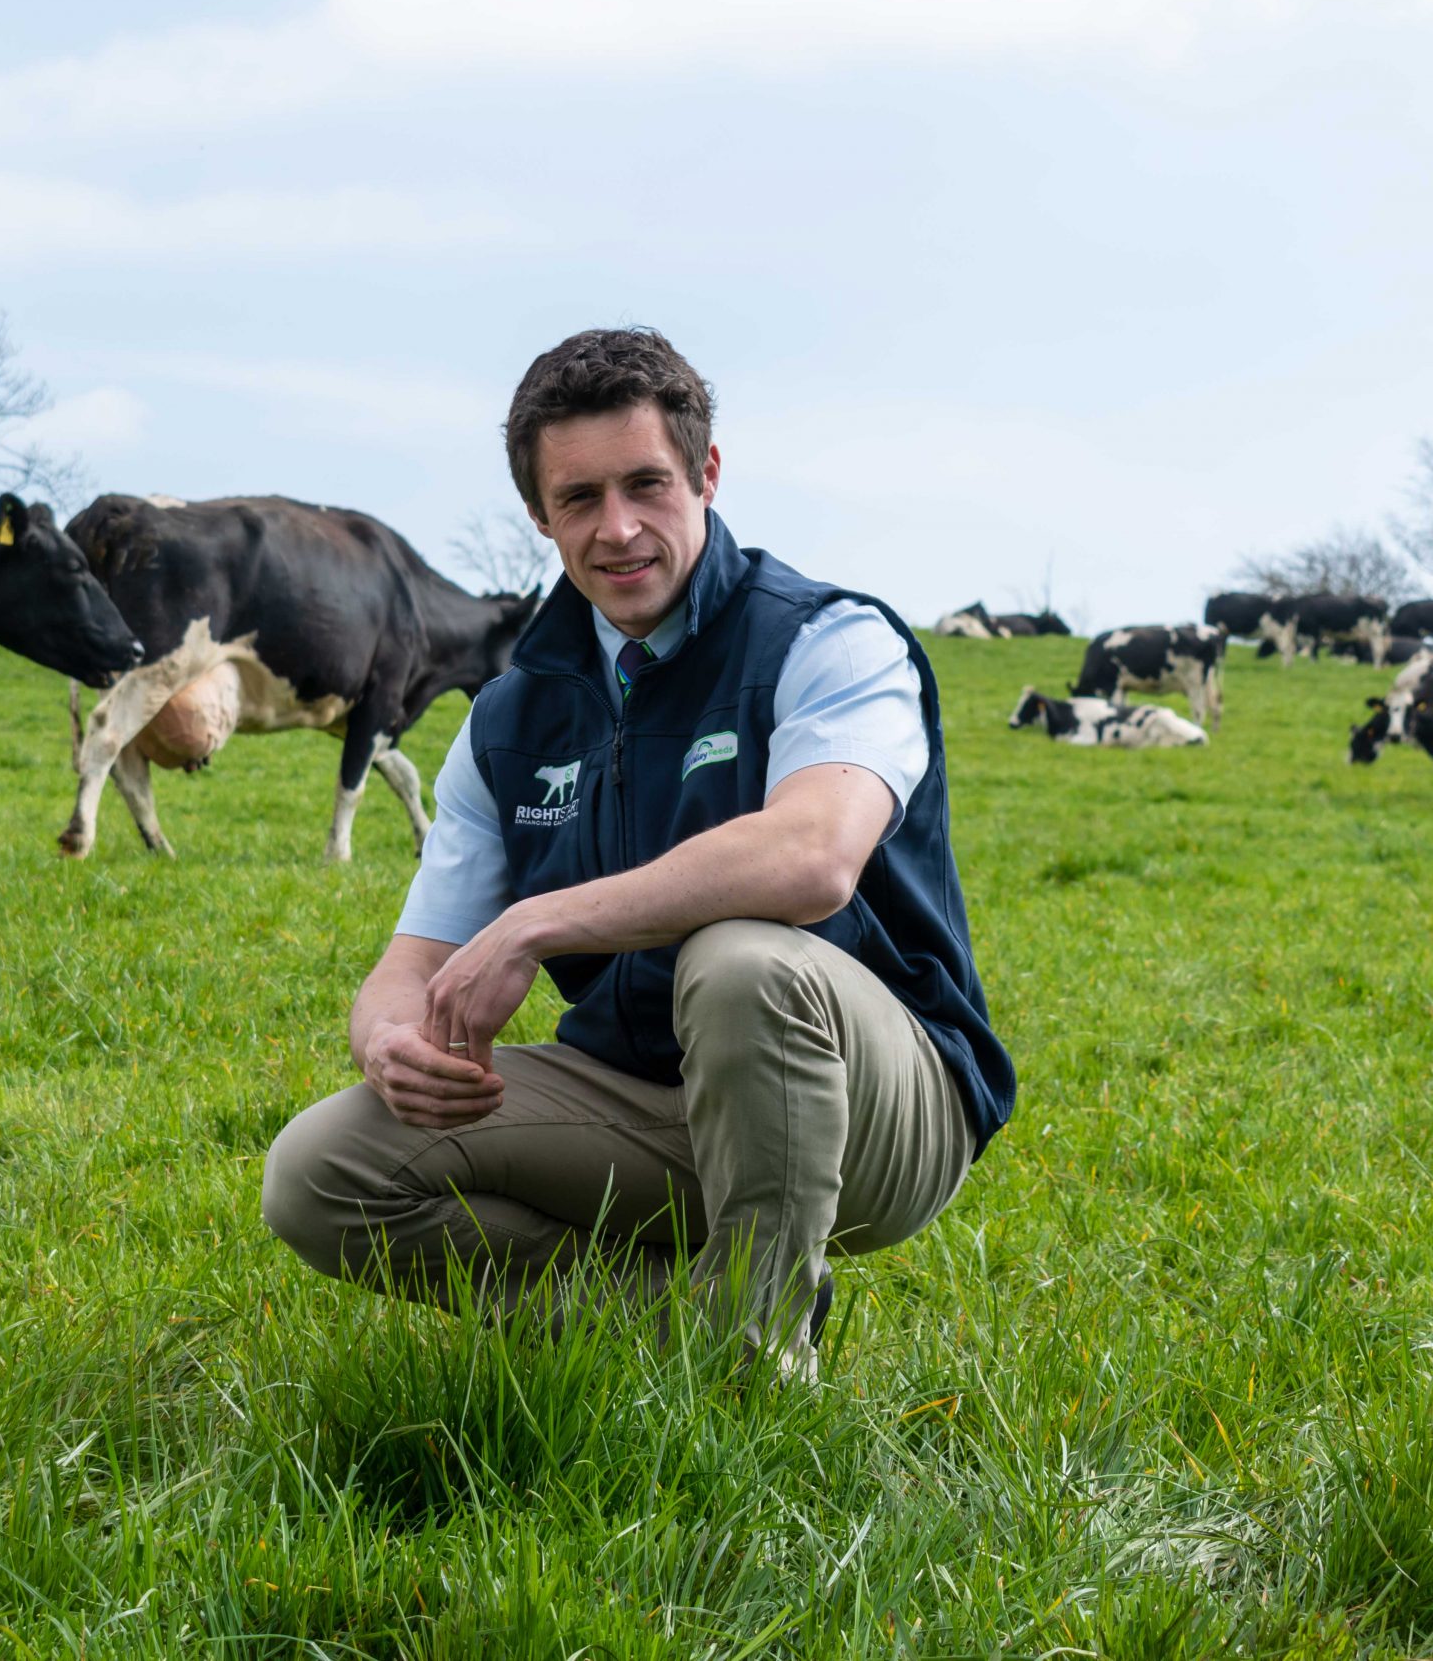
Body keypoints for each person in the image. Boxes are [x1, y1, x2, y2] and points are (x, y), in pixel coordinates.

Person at [261, 328, 1014, 1376]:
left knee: (743, 959)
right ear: (539, 513)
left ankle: (757, 1368)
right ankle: (682, 1325)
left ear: (705, 474)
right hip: (639, 1093)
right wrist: (389, 1039)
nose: (617, 530)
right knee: (318, 1173)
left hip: (877, 1109)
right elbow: (412, 963)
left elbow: (813, 858)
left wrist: (538, 921)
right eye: (577, 500)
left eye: (645, 484)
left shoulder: (827, 641)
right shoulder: (510, 718)